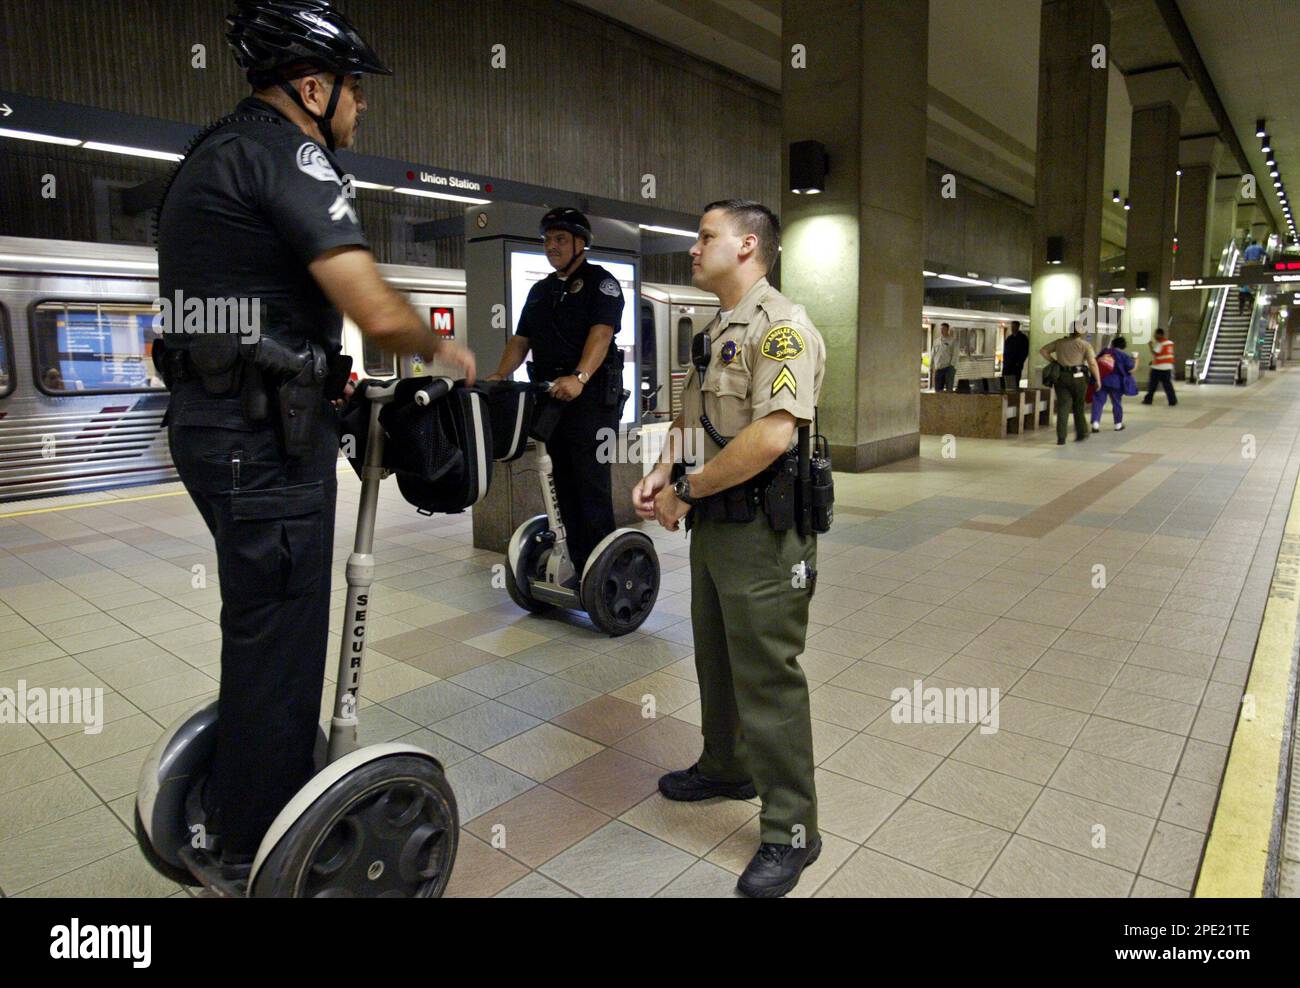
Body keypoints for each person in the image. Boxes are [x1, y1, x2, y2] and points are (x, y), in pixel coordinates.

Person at [155, 0, 474, 882]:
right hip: (263, 441)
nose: (360, 108)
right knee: (284, 639)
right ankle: (255, 840)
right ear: (311, 87)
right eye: (354, 90)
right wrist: (443, 347)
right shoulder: (291, 153)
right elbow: (371, 305)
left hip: (212, 426)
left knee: (259, 626)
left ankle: (237, 798)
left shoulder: (206, 155)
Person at [632, 199, 825, 898]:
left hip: (767, 535)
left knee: (768, 675)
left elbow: (773, 435)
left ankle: (793, 831)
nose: (693, 247)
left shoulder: (781, 330)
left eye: (705, 235)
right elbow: (691, 422)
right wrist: (659, 475)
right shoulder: (714, 332)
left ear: (747, 246)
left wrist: (688, 490)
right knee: (715, 657)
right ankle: (727, 766)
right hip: (718, 526)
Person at [486, 207, 625, 579]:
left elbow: (602, 334)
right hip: (552, 397)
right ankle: (573, 558)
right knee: (559, 477)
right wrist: (501, 374)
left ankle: (602, 571)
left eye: (560, 239)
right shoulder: (541, 290)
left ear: (581, 243)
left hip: (592, 402)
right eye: (547, 240)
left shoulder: (601, 283)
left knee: (589, 482)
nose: (551, 246)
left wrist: (580, 376)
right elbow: (521, 339)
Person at [1040, 322, 1101, 445]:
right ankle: (1081, 433)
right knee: (1078, 407)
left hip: (1061, 377)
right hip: (1079, 379)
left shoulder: (1059, 343)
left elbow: (1043, 351)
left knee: (1063, 407)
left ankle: (1061, 437)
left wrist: (1055, 361)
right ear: (1081, 331)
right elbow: (1092, 363)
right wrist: (1098, 380)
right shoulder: (1085, 345)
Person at [1091, 335, 1136, 432]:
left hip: (1102, 379)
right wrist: (1136, 360)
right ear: (1123, 345)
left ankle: (1095, 424)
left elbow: (1095, 361)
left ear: (1113, 343)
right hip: (1116, 383)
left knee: (1098, 402)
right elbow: (1131, 369)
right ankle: (1118, 424)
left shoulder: (1105, 352)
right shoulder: (1124, 356)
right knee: (1116, 403)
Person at [1144, 328, 1177, 406]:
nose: (1154, 336)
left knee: (1152, 385)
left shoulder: (1160, 343)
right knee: (1168, 385)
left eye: (1155, 334)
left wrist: (1150, 346)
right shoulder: (1170, 343)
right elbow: (1164, 354)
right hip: (1168, 367)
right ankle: (1172, 401)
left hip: (1158, 368)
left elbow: (1155, 353)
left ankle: (1148, 400)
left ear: (1160, 334)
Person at [1002, 320, 1028, 389]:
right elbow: (1005, 352)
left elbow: (1025, 352)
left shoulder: (1023, 339)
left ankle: (1014, 398)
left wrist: (1019, 363)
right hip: (1007, 366)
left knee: (1015, 384)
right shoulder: (1009, 339)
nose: (1012, 328)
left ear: (1018, 327)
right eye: (1012, 327)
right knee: (1006, 384)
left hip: (1016, 367)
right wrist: (1004, 363)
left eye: (1014, 327)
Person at [932, 323, 956, 392]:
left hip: (948, 368)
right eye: (941, 329)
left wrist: (952, 366)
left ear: (947, 329)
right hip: (938, 368)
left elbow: (955, 355)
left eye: (944, 329)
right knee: (938, 389)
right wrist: (931, 365)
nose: (942, 331)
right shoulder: (936, 341)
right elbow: (933, 353)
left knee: (948, 389)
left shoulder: (953, 341)